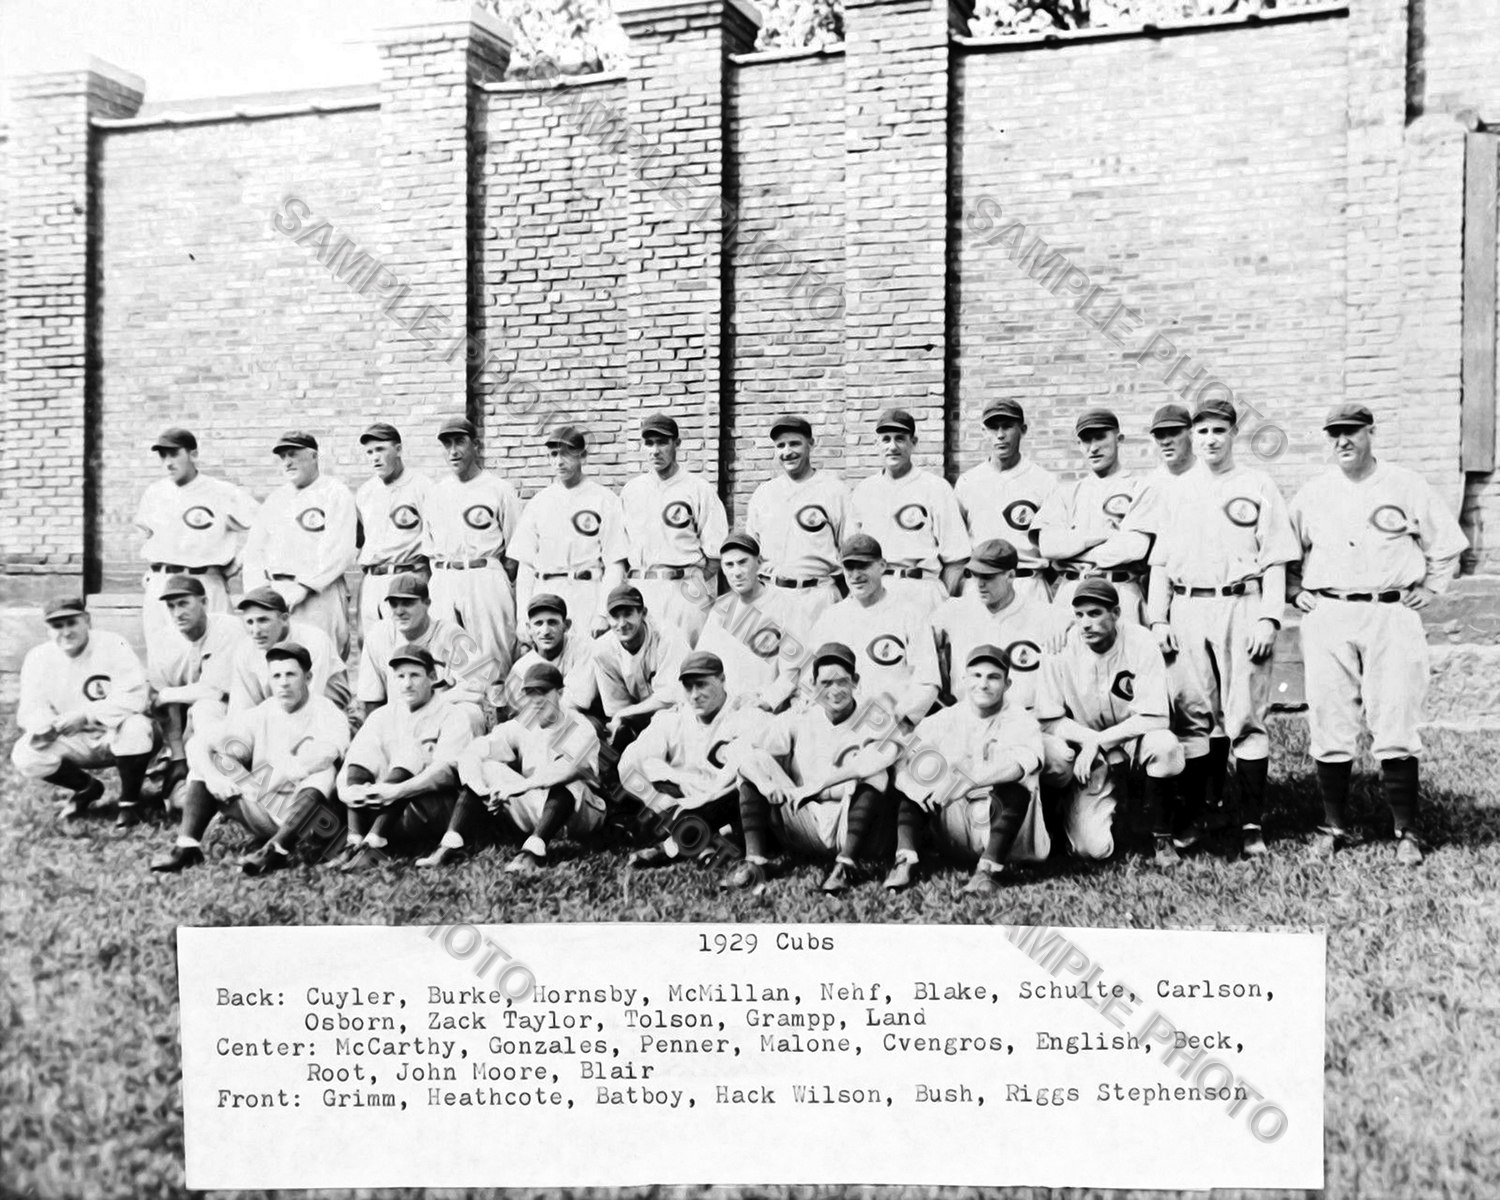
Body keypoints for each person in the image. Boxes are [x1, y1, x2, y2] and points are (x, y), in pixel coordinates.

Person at [1289, 403, 1468, 865]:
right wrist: (1294, 590)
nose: (1342, 441)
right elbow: (1284, 553)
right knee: (1329, 716)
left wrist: (1431, 587)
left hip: (1390, 612)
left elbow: (1447, 545)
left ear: (1371, 432)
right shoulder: (1313, 492)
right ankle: (1333, 825)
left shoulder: (1406, 485)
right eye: (1334, 434)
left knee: (1395, 716)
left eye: (1352, 431)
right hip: (1329, 611)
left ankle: (1406, 829)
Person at [1145, 398, 1299, 857]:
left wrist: (1270, 618)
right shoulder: (1176, 490)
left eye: (1219, 430)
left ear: (1234, 434)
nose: (1210, 439)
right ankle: (1195, 816)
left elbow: (1275, 559)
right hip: (1187, 606)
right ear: (1192, 437)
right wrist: (1158, 618)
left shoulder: (1257, 484)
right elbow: (1159, 563)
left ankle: (1251, 826)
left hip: (1241, 603)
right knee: (1193, 715)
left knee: (1245, 716)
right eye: (1203, 431)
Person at [150, 642, 350, 873]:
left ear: (308, 677)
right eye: (276, 676)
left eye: (291, 675)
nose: (283, 683)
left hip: (313, 820)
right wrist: (214, 778)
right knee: (211, 761)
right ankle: (187, 847)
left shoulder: (326, 712)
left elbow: (326, 755)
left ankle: (276, 850)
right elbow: (199, 743)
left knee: (323, 772)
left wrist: (270, 781)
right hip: (264, 803)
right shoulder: (265, 710)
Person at [1034, 580, 1185, 867]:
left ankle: (1162, 836)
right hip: (1087, 747)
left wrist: (1101, 741)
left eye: (1095, 613)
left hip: (1134, 740)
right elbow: (1048, 719)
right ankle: (1098, 813)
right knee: (1091, 850)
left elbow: (1156, 717)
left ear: (1116, 613)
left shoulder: (1141, 641)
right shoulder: (1060, 646)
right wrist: (1091, 741)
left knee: (1164, 745)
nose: (1085, 623)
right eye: (1079, 615)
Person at [730, 642, 901, 893]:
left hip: (853, 827)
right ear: (813, 684)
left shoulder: (873, 716)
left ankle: (845, 865)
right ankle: (756, 862)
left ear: (855, 681)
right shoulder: (801, 717)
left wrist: (820, 784)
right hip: (805, 820)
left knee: (875, 774)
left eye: (842, 682)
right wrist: (765, 784)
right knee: (754, 763)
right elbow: (740, 749)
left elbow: (884, 756)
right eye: (826, 683)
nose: (835, 691)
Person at [421, 662, 604, 872]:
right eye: (530, 693)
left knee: (569, 781)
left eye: (543, 692)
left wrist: (522, 786)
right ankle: (449, 845)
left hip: (580, 814)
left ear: (560, 693)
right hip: (538, 808)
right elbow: (475, 751)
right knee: (486, 767)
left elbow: (571, 767)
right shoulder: (523, 724)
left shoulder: (580, 726)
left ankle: (531, 853)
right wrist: (481, 790)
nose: (536, 700)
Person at [898, 644, 1048, 894]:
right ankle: (904, 860)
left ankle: (987, 871)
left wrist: (967, 780)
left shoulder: (1021, 719)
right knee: (917, 779)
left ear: (1008, 684)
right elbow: (900, 758)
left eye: (993, 677)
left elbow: (1021, 765)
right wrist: (911, 788)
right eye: (976, 676)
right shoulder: (944, 719)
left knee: (1015, 786)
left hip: (1009, 836)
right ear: (964, 680)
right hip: (957, 827)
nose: (983, 684)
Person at [13, 597, 155, 832]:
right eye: (57, 626)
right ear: (47, 629)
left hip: (114, 730)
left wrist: (87, 716)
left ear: (87, 620)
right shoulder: (38, 657)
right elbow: (30, 708)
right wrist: (44, 726)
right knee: (25, 753)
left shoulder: (112, 644)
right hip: (73, 737)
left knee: (137, 727)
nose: (66, 632)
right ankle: (87, 788)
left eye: (72, 622)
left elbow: (135, 696)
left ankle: (129, 804)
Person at [619, 651, 768, 870]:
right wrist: (654, 799)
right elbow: (628, 763)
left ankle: (675, 845)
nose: (695, 695)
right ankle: (705, 842)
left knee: (744, 788)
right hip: (682, 803)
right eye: (688, 687)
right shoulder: (674, 718)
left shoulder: (745, 714)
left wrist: (693, 807)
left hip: (725, 803)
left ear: (722, 679)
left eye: (701, 684)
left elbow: (752, 772)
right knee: (654, 775)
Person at [334, 645, 477, 872]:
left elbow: (446, 774)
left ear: (432, 677)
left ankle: (375, 844)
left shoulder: (452, 715)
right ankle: (355, 842)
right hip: (380, 803)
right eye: (400, 676)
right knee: (365, 753)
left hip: (429, 809)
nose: (407, 684)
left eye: (414, 675)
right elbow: (353, 761)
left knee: (411, 753)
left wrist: (397, 790)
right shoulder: (383, 714)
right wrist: (346, 791)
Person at [134, 427, 256, 671]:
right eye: (163, 455)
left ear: (193, 454)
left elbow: (265, 524)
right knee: (163, 657)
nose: (168, 462)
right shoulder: (155, 492)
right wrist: (154, 570)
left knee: (219, 655)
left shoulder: (221, 491)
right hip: (162, 585)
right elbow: (149, 537)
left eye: (174, 454)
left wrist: (240, 561)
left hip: (204, 581)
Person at [802, 534, 941, 729]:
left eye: (863, 566)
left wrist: (901, 722)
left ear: (882, 565)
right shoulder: (830, 618)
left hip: (891, 726)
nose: (855, 575)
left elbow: (927, 682)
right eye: (849, 567)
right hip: (840, 727)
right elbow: (809, 679)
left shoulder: (910, 615)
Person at [242, 430, 358, 657]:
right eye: (283, 456)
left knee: (320, 658)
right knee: (280, 662)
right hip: (277, 594)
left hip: (318, 594)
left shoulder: (335, 492)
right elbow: (255, 551)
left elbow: (341, 550)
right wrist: (258, 594)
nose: (287, 462)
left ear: (313, 456)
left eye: (293, 454)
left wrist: (305, 587)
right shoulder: (276, 499)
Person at [425, 416, 522, 681]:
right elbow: (429, 549)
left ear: (476, 445)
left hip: (484, 576)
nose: (453, 451)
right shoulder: (436, 493)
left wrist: (495, 579)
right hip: (444, 578)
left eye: (460, 442)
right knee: (445, 660)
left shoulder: (499, 489)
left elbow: (515, 552)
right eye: (447, 445)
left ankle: (497, 705)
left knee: (493, 658)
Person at [1032, 409, 1150, 625]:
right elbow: (1048, 546)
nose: (1093, 447)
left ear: (1119, 439)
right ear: (1079, 444)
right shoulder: (1066, 493)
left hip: (1120, 592)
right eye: (1086, 440)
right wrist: (1104, 535)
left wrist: (1072, 551)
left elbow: (1135, 548)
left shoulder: (1139, 487)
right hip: (1072, 592)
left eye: (1100, 437)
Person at [511, 424, 628, 641]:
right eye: (554, 454)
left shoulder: (604, 500)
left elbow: (615, 563)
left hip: (587, 593)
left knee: (588, 656)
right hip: (547, 592)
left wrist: (603, 613)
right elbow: (525, 565)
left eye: (566, 453)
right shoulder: (539, 503)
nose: (559, 461)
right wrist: (522, 618)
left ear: (582, 456)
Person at [850, 408, 970, 616]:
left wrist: (944, 604)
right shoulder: (864, 490)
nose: (892, 446)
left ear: (913, 442)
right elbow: (852, 554)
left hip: (921, 589)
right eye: (886, 439)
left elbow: (956, 560)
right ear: (876, 444)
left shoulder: (935, 487)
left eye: (900, 438)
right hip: (876, 590)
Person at [620, 414, 728, 647]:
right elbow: (621, 550)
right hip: (642, 586)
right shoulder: (632, 491)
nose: (655, 450)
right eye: (649, 443)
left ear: (676, 443)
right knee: (646, 655)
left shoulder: (699, 489)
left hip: (685, 586)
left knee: (688, 657)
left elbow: (716, 555)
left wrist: (695, 584)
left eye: (662, 442)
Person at [745, 415, 851, 633]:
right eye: (781, 446)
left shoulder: (835, 491)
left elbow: (850, 552)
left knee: (816, 653)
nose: (787, 452)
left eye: (795, 444)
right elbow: (749, 552)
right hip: (771, 595)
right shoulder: (764, 494)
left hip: (816, 596)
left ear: (811, 444)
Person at [148, 574, 248, 802]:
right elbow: (163, 706)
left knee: (205, 708)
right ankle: (193, 782)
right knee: (180, 802)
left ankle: (225, 784)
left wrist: (167, 694)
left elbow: (215, 691)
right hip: (186, 723)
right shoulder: (162, 641)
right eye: (171, 606)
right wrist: (178, 757)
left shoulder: (229, 628)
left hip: (233, 711)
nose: (177, 613)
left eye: (184, 603)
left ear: (204, 602)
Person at [354, 572, 490, 733]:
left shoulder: (452, 635)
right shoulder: (379, 635)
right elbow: (371, 700)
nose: (399, 611)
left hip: (442, 718)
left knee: (470, 713)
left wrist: (426, 708)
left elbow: (475, 689)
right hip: (400, 721)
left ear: (427, 603)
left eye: (407, 603)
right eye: (394, 604)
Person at [932, 539, 1058, 710]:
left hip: (1024, 716)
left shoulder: (1041, 613)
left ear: (1010, 576)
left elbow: (1076, 621)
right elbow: (916, 639)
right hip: (968, 715)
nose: (980, 584)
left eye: (988, 577)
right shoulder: (954, 610)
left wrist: (1065, 625)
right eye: (975, 575)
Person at [954, 400, 1057, 606]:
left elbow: (1054, 548)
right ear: (984, 432)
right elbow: (956, 548)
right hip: (981, 586)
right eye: (993, 428)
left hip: (1026, 583)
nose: (1000, 435)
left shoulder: (1044, 481)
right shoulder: (967, 482)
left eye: (1008, 426)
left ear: (1023, 430)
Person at [695, 531, 798, 709]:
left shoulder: (784, 605)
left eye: (743, 562)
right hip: (726, 707)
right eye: (729, 565)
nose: (737, 572)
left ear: (759, 563)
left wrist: (767, 701)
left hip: (765, 707)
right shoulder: (722, 608)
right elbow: (702, 662)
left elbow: (792, 672)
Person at [588, 584, 691, 756]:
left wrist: (623, 714)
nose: (622, 624)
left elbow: (671, 698)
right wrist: (622, 721)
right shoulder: (602, 650)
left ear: (643, 613)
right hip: (637, 721)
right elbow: (616, 707)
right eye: (615, 616)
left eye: (628, 614)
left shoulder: (668, 636)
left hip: (677, 715)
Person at [354, 422, 432, 640]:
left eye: (380, 449)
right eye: (370, 452)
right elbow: (361, 541)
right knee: (370, 644)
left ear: (398, 449)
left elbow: (435, 541)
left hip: (408, 576)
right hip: (374, 579)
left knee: (409, 644)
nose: (375, 457)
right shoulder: (365, 492)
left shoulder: (422, 486)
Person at [227, 587, 350, 713]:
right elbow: (241, 707)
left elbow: (312, 702)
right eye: (249, 622)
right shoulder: (245, 649)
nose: (256, 631)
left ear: (284, 619)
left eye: (263, 620)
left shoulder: (314, 640)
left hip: (328, 712)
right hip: (275, 714)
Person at [499, 594, 597, 718]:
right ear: (529, 628)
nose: (545, 631)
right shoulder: (521, 669)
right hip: (539, 723)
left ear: (566, 625)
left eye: (552, 623)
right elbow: (514, 712)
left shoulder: (583, 649)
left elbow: (578, 700)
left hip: (580, 717)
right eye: (538, 623)